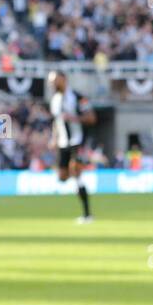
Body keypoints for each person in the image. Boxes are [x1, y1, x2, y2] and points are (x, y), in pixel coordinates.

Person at [48, 70, 97, 224]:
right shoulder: (54, 100)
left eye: (54, 80)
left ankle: (87, 215)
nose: (52, 84)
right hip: (63, 143)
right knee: (62, 177)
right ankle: (78, 169)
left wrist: (73, 118)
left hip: (77, 140)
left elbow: (91, 117)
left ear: (63, 79)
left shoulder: (77, 97)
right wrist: (54, 138)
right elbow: (57, 121)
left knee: (76, 172)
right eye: (50, 81)